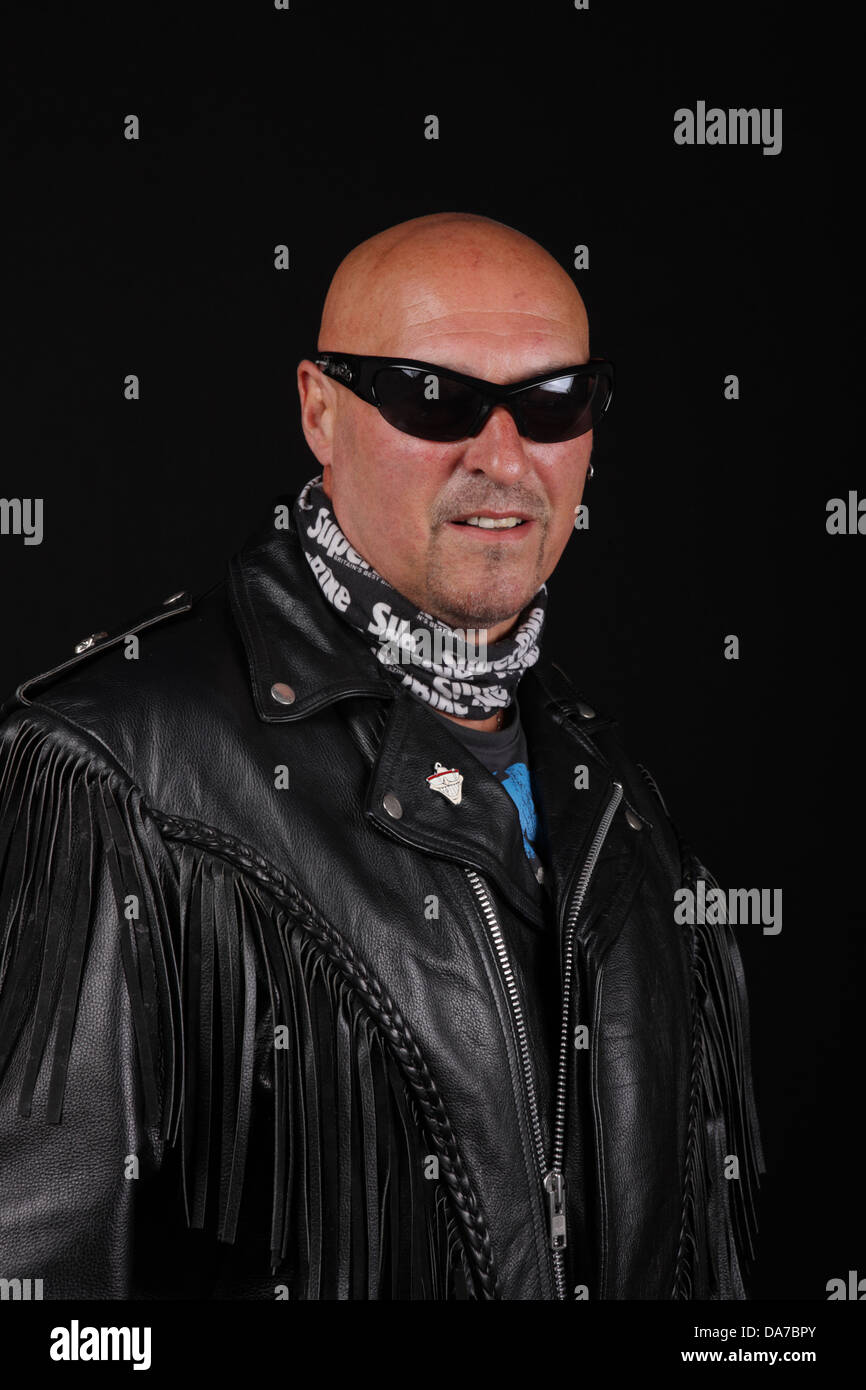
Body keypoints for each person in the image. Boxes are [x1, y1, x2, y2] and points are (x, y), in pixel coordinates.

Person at [0, 211, 763, 1300]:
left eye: (552, 403)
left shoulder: (621, 817)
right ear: (320, 408)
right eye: (432, 397)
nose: (500, 458)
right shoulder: (117, 771)